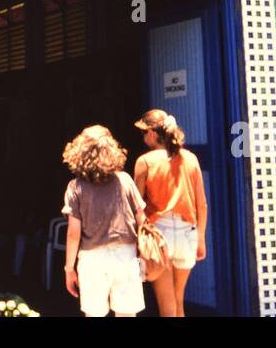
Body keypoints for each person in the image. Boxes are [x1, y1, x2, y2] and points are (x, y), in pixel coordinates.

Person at [60, 125, 146, 318]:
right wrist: (145, 255)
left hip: (92, 259)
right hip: (126, 254)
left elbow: (73, 234)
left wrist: (69, 269)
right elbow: (142, 218)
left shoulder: (75, 187)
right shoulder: (125, 180)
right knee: (126, 313)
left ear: (80, 151)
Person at [133, 109, 207, 317]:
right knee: (178, 302)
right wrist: (200, 238)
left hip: (159, 235)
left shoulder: (145, 161)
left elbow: (137, 206)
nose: (143, 136)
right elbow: (201, 204)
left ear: (153, 133)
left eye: (144, 132)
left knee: (167, 307)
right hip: (187, 233)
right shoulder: (190, 159)